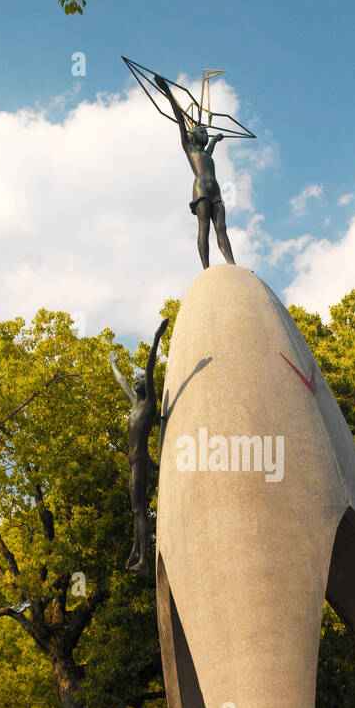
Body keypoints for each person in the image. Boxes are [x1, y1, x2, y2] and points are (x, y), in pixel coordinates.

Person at [154, 73, 236, 269]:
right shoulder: (189, 148)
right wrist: (167, 92)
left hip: (215, 191)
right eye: (202, 131)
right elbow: (180, 120)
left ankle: (232, 264)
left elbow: (210, 149)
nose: (205, 134)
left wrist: (216, 139)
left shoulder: (206, 154)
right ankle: (206, 268)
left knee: (221, 227)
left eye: (206, 132)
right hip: (201, 191)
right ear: (192, 135)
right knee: (204, 228)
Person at [108, 316, 169, 576]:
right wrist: (113, 364)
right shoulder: (135, 403)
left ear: (146, 385)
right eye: (135, 380)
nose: (135, 381)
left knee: (140, 509)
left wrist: (156, 338)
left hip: (141, 461)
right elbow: (121, 380)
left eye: (139, 379)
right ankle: (136, 552)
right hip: (134, 463)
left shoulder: (148, 404)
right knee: (136, 510)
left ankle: (144, 559)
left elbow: (150, 364)